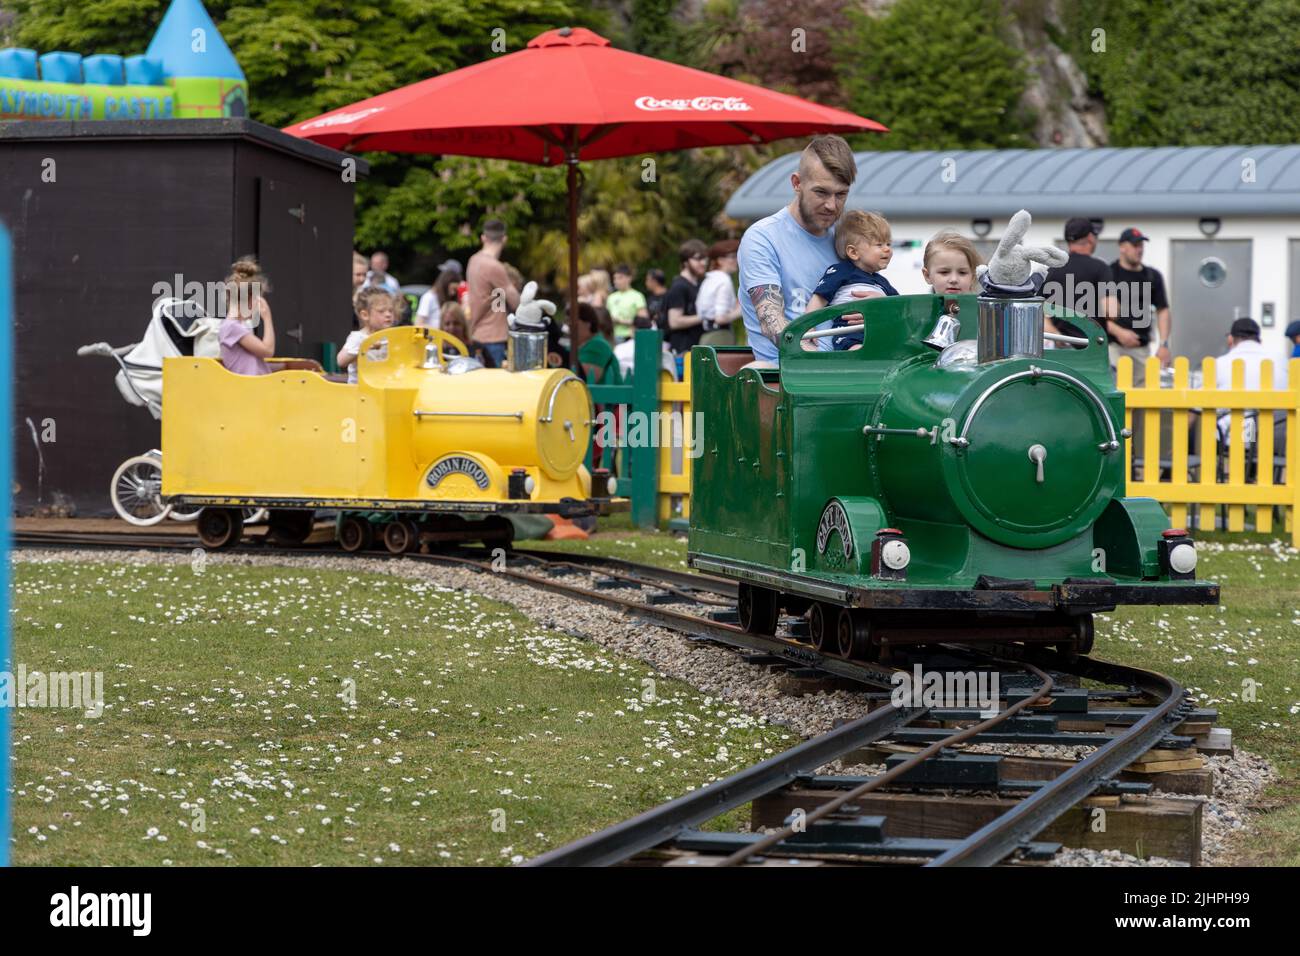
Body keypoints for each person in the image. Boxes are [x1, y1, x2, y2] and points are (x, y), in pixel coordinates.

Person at [738, 134, 857, 365]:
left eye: (841, 194)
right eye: (821, 192)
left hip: (849, 371)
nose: (832, 205)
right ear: (796, 183)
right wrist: (818, 360)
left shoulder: (847, 241)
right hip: (787, 378)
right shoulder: (763, 237)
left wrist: (877, 306)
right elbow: (771, 321)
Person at [805, 210, 898, 350]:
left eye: (888, 244)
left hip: (880, 332)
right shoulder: (841, 271)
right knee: (856, 350)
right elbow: (819, 298)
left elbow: (900, 308)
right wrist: (808, 324)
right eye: (879, 245)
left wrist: (885, 306)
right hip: (850, 333)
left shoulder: (883, 283)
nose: (887, 250)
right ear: (854, 252)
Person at [1042, 217, 1118, 355]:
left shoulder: (1051, 270)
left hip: (1062, 354)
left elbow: (1037, 313)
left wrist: (1057, 335)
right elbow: (1110, 312)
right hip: (1093, 350)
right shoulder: (1100, 268)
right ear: (1090, 237)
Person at [1215, 317, 1289, 449]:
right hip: (1278, 438)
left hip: (1237, 438)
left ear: (1230, 339)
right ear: (1259, 340)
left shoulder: (1220, 363)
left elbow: (1197, 405)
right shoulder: (1282, 361)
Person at [1109, 227, 1171, 373]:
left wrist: (1163, 345)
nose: (1140, 250)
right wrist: (1119, 332)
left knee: (1143, 394)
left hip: (1142, 350)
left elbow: (1163, 311)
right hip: (1113, 348)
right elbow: (1095, 314)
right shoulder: (1109, 273)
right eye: (1135, 245)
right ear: (1122, 247)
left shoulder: (1152, 276)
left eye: (1141, 245)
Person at [465, 219, 520, 367]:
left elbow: (495, 299)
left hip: (477, 334)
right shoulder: (494, 267)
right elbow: (515, 302)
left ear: (483, 237)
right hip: (494, 338)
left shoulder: (473, 261)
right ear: (504, 239)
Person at [218, 257, 275, 376]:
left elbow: (255, 362)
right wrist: (267, 318)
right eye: (256, 299)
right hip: (250, 389)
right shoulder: (232, 327)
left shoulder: (237, 326)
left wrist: (286, 366)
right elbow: (268, 351)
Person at [662, 239, 709, 366]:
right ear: (685, 261)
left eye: (705, 259)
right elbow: (675, 321)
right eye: (698, 259)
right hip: (682, 353)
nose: (703, 263)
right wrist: (706, 317)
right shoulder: (679, 286)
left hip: (696, 350)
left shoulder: (699, 284)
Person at [339, 287, 396, 384]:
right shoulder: (358, 337)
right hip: (359, 391)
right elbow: (341, 361)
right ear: (365, 315)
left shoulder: (390, 336)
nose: (388, 315)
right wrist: (365, 347)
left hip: (382, 388)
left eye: (390, 311)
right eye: (381, 311)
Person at [696, 240, 742, 347]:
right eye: (732, 257)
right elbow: (720, 318)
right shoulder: (724, 280)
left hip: (706, 335)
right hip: (720, 336)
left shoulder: (709, 278)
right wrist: (741, 311)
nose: (736, 260)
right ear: (720, 260)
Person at [922, 230, 981, 295]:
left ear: (973, 277)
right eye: (944, 272)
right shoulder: (916, 305)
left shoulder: (982, 305)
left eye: (962, 273)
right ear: (927, 276)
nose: (954, 279)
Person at [606, 264, 648, 341]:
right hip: (612, 336)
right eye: (615, 278)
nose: (616, 281)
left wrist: (620, 321)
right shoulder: (611, 297)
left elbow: (643, 321)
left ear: (629, 278)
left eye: (620, 278)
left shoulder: (637, 296)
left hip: (629, 336)